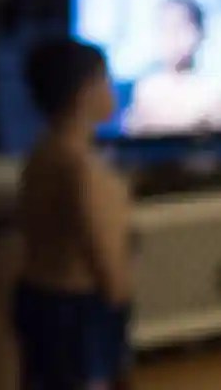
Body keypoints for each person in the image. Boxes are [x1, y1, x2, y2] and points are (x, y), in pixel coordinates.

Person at [16, 39, 134, 390]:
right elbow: (104, 259)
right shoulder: (83, 171)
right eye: (106, 80)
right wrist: (120, 296)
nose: (112, 91)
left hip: (36, 297)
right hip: (78, 313)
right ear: (85, 92)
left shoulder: (41, 154)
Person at [123, 0, 221, 137]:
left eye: (180, 27)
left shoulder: (214, 92)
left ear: (200, 33)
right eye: (164, 28)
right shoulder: (146, 88)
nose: (172, 36)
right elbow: (131, 141)